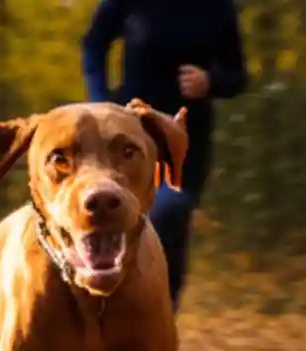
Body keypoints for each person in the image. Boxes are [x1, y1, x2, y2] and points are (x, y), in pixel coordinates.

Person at [81, 0, 247, 310]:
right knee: (115, 218)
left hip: (185, 139)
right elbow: (93, 44)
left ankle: (159, 318)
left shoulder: (218, 8)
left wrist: (211, 82)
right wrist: (100, 99)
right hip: (127, 134)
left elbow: (237, 75)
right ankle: (103, 311)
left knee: (168, 218)